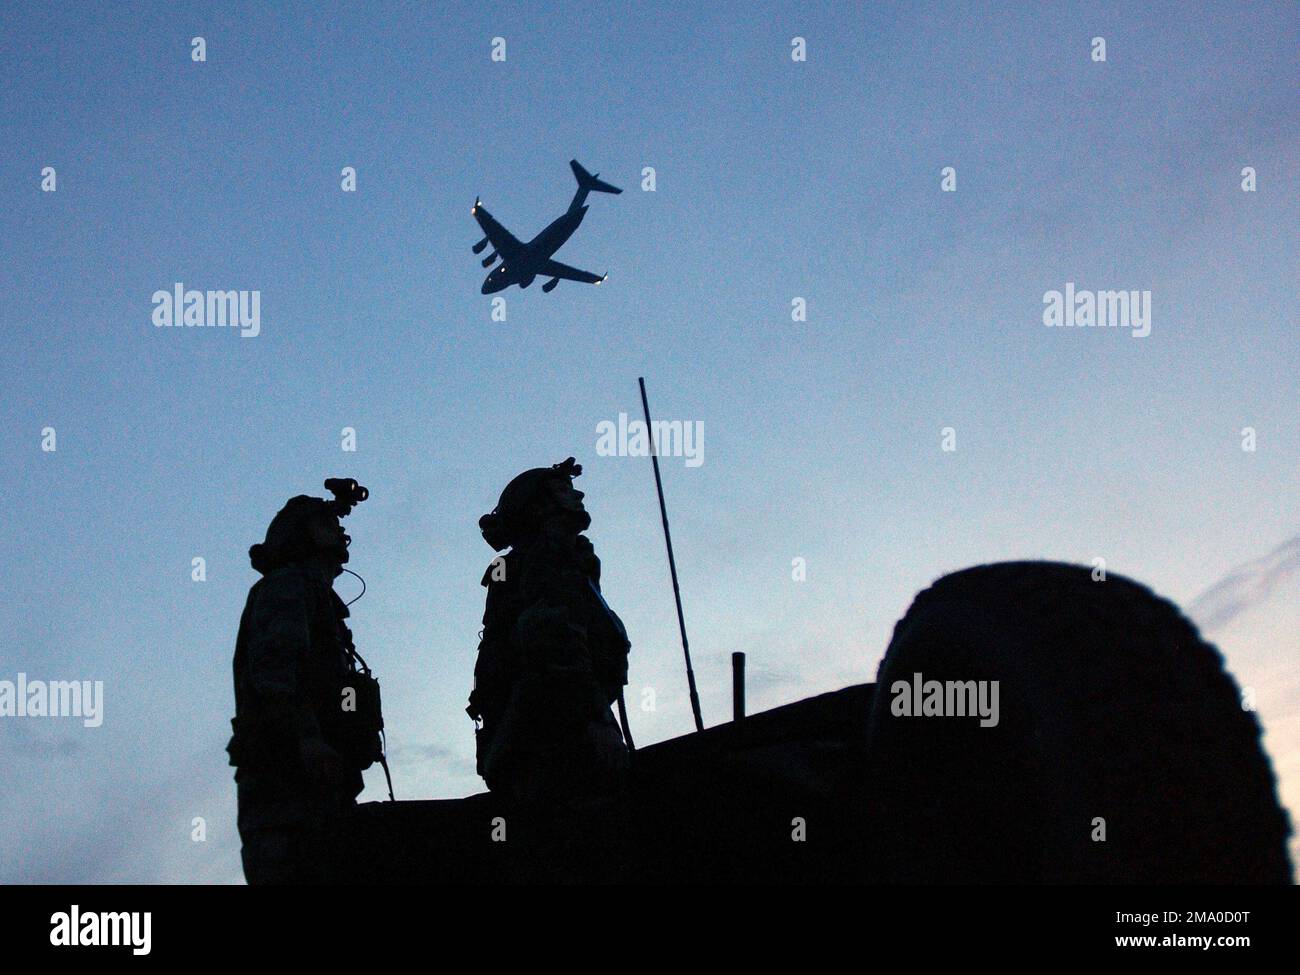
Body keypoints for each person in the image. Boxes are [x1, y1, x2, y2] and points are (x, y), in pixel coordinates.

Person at [227, 480, 380, 884]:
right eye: (326, 523)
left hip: (317, 790)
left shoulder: (315, 596)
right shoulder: (287, 586)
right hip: (286, 790)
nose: (340, 530)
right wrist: (307, 738)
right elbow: (275, 671)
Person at [468, 458, 631, 806]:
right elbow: (551, 644)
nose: (578, 494)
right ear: (539, 507)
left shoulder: (547, 559)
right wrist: (596, 721)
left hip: (546, 735)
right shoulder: (545, 557)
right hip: (556, 739)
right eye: (564, 490)